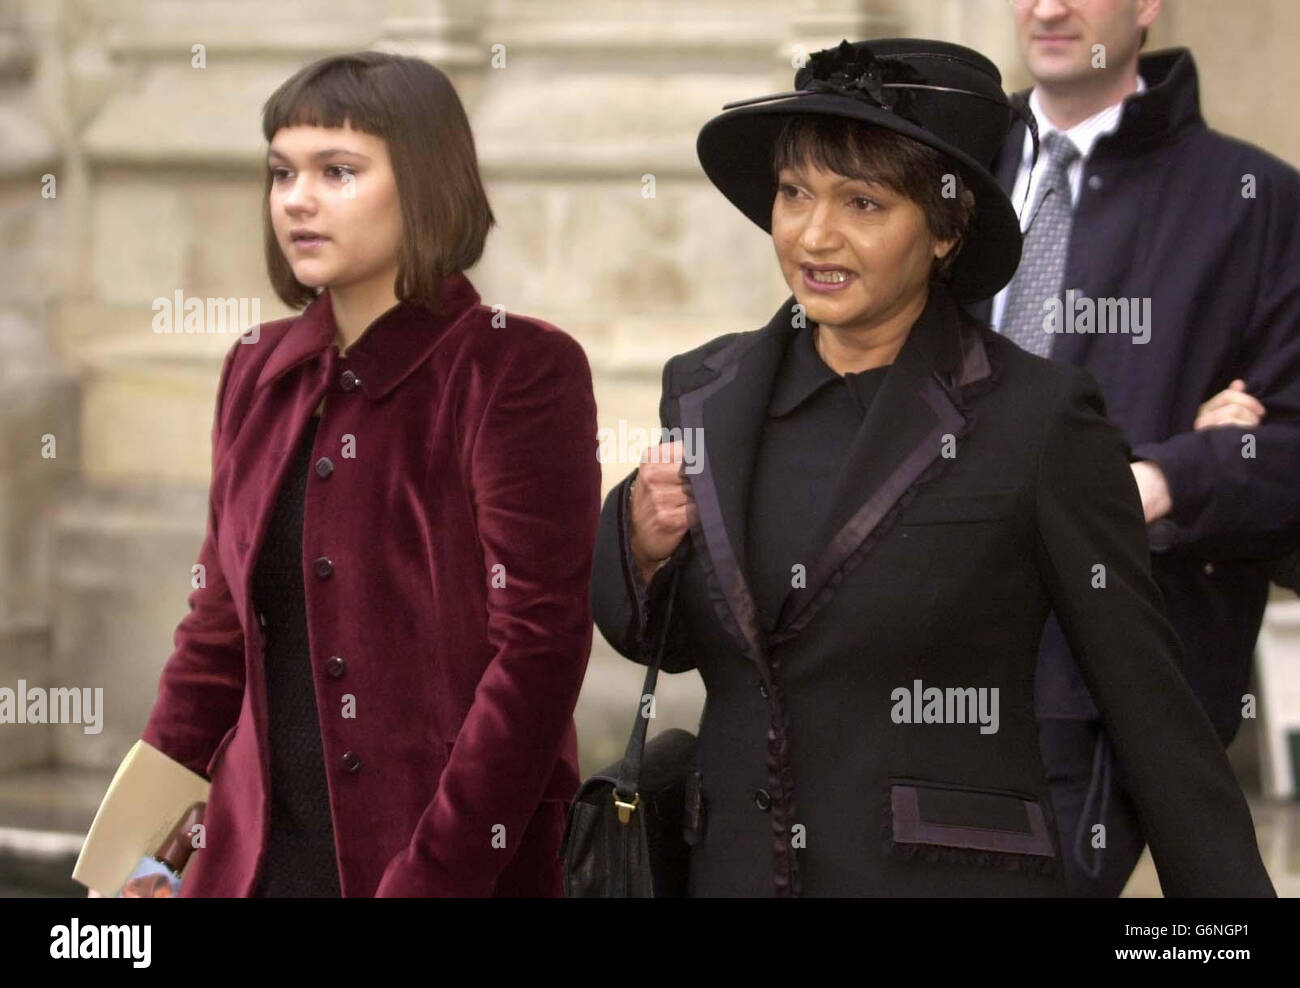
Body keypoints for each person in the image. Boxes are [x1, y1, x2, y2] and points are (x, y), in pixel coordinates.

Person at [589, 38, 1275, 897]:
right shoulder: (703, 391)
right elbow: (672, 641)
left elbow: (1151, 715)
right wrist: (644, 547)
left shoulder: (1038, 421)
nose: (814, 233)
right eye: (795, 193)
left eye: (864, 203)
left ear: (947, 231)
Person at [122, 52, 599, 896]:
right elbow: (214, 637)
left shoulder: (515, 367)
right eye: (282, 173)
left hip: (446, 868)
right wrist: (141, 854)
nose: (297, 199)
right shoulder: (257, 368)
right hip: (250, 870)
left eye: (337, 171)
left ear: (423, 185)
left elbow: (537, 652)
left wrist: (431, 879)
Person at [969, 0, 1300, 895]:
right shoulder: (945, 171)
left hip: (1095, 679)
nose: (1046, 7)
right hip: (910, 654)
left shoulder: (1259, 202)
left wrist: (1166, 476)